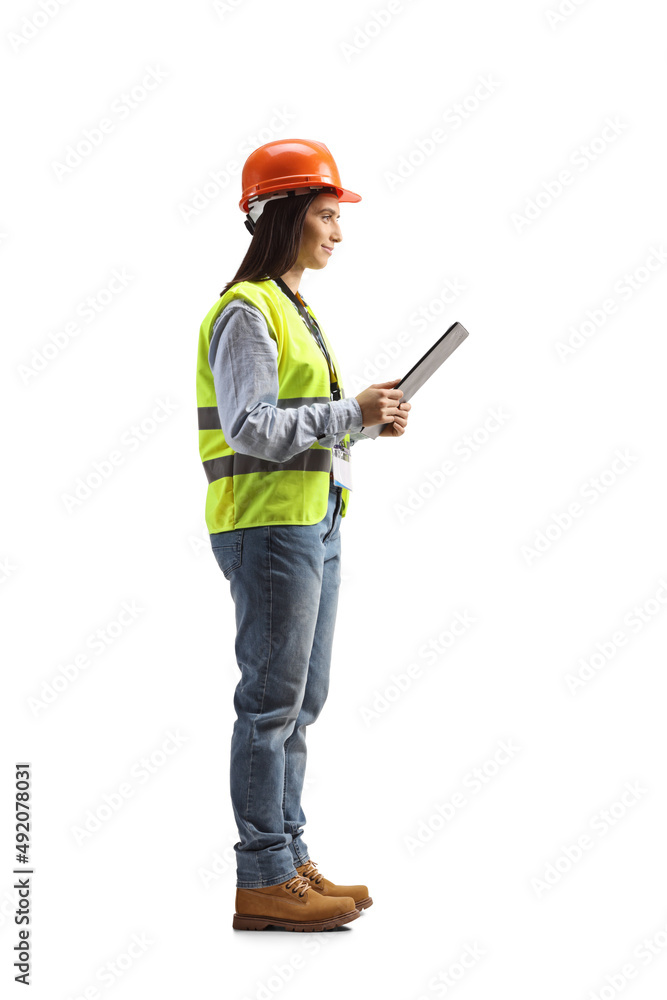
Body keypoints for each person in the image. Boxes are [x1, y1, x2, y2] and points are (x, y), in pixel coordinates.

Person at [195, 139, 411, 932]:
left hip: (311, 518)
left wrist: (361, 426)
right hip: (269, 525)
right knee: (269, 705)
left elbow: (295, 426)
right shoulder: (248, 312)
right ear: (282, 215)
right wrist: (349, 413)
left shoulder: (295, 309)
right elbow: (251, 428)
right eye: (324, 215)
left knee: (299, 700)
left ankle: (287, 859)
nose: (336, 233)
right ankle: (263, 879)